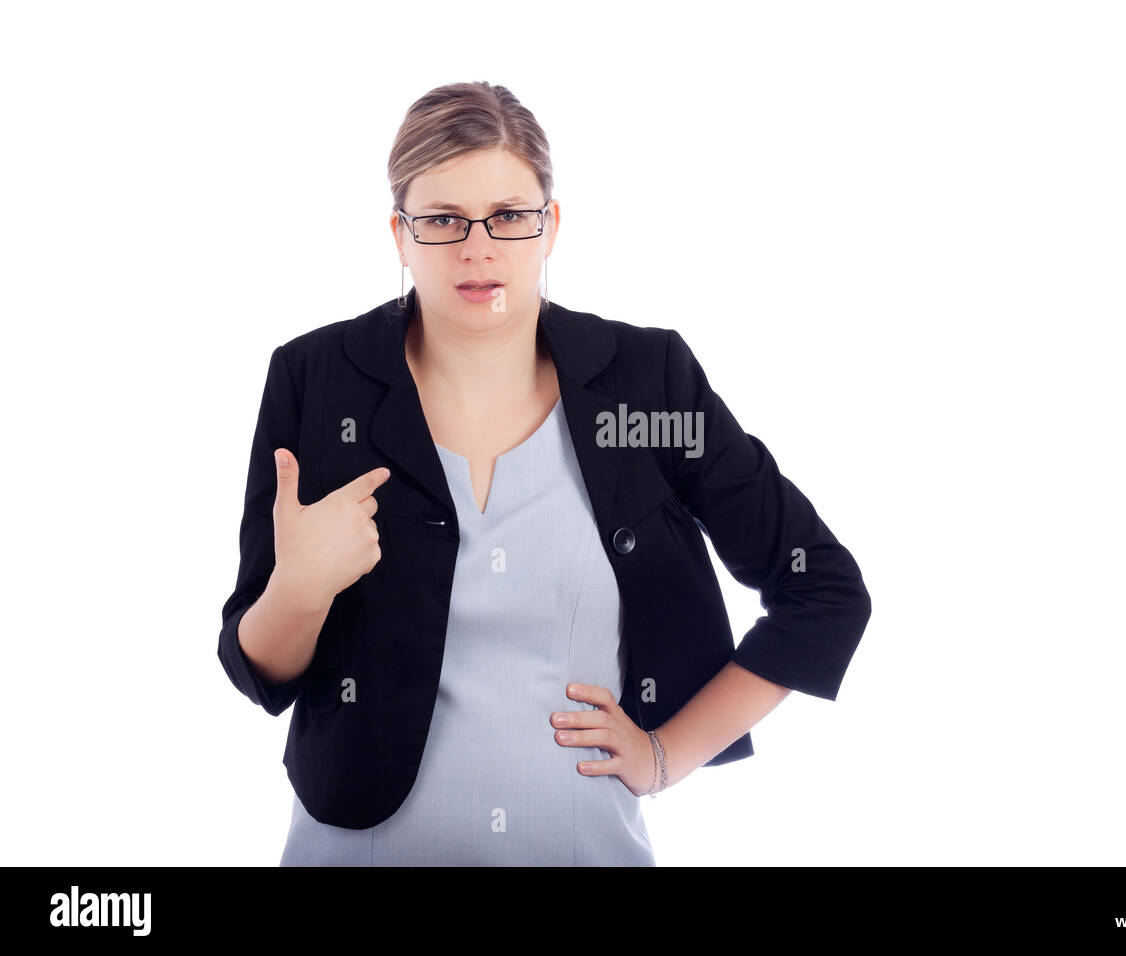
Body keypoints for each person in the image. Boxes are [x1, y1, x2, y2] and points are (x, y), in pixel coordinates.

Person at [218, 81, 872, 866]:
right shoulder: (315, 379)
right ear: (399, 234)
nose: (477, 247)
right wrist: (299, 589)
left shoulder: (645, 381)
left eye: (508, 216)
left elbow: (823, 590)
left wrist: (667, 753)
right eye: (441, 220)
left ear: (550, 225)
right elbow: (259, 672)